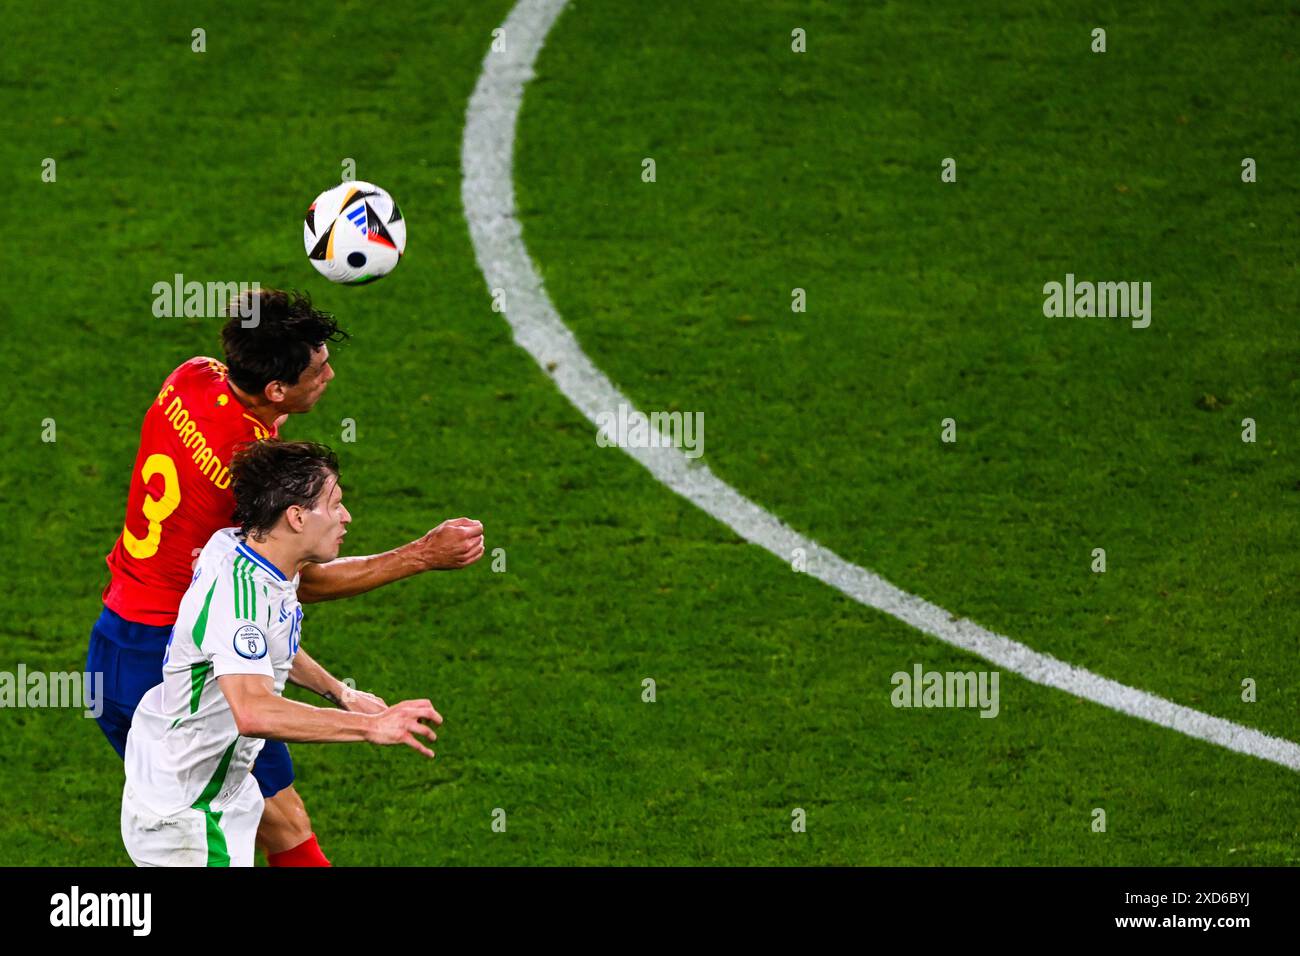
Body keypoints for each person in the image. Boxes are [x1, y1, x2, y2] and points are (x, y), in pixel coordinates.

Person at [91, 289, 483, 866]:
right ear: (277, 390)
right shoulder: (249, 483)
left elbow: (264, 613)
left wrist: (339, 691)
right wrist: (421, 556)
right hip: (177, 664)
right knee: (235, 825)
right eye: (317, 368)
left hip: (118, 640)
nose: (330, 374)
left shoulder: (192, 376)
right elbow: (299, 585)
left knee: (268, 820)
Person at [122, 439, 442, 867]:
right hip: (188, 817)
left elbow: (266, 645)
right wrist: (370, 726)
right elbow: (254, 712)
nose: (346, 517)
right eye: (335, 505)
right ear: (295, 516)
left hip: (214, 788)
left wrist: (341, 693)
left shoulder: (249, 552)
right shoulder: (239, 600)